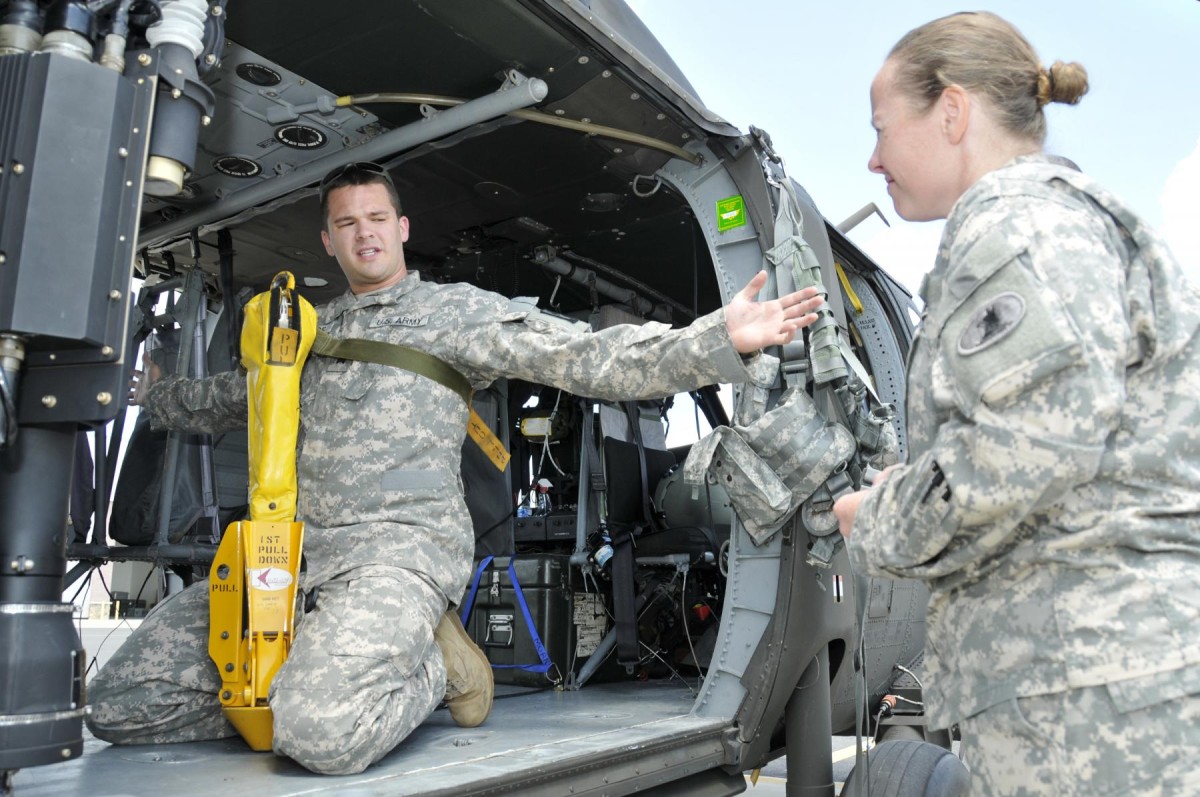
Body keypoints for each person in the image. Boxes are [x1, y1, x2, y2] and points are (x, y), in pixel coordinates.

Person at [86, 161, 825, 776]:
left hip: (394, 554)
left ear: (401, 228)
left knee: (321, 735)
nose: (364, 233)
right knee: (118, 702)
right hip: (289, 559)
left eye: (377, 217)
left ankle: (436, 669)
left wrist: (717, 340)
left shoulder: (451, 315)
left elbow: (581, 356)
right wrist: (156, 397)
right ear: (328, 239)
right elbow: (231, 399)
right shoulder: (305, 331)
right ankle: (325, 677)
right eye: (347, 223)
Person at [832, 11, 1200, 796]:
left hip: (1090, 703)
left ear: (953, 111)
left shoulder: (1018, 227)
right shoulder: (1052, 219)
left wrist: (878, 517)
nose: (873, 158)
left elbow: (1023, 450)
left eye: (882, 127)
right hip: (1097, 684)